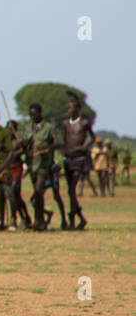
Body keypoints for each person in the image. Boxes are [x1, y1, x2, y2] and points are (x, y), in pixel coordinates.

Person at [18, 103, 59, 232]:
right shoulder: (27, 128)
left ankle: (38, 221)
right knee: (37, 192)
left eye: (35, 114)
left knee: (38, 189)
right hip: (32, 164)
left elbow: (56, 143)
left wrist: (46, 148)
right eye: (31, 114)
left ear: (40, 113)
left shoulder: (48, 128)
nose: (33, 116)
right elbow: (24, 143)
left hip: (43, 164)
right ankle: (40, 219)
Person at [61, 95, 95, 229]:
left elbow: (92, 138)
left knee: (71, 189)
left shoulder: (84, 123)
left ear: (78, 109)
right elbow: (64, 139)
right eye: (68, 108)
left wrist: (85, 147)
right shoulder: (65, 124)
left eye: (72, 107)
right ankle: (79, 218)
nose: (69, 110)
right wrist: (63, 150)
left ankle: (73, 219)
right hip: (68, 159)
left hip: (79, 159)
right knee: (71, 191)